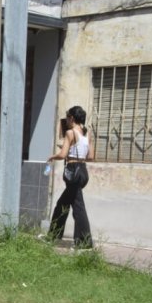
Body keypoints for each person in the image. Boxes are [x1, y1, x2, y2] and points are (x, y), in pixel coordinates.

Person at [48, 105, 94, 248]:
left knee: (78, 208)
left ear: (72, 118)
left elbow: (62, 156)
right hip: (83, 171)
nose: (66, 120)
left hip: (73, 171)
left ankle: (85, 243)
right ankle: (54, 235)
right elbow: (91, 157)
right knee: (62, 204)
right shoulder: (87, 134)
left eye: (67, 117)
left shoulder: (70, 133)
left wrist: (53, 156)